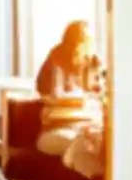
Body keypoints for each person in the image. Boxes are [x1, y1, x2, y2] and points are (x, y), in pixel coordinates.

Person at [36, 20, 103, 157]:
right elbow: (56, 96)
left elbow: (100, 94)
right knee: (82, 145)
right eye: (82, 42)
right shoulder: (57, 60)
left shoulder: (93, 63)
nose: (86, 49)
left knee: (98, 142)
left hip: (87, 125)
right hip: (60, 127)